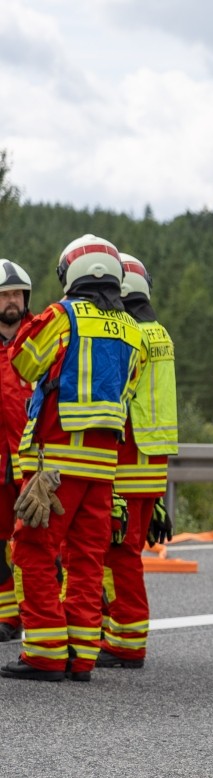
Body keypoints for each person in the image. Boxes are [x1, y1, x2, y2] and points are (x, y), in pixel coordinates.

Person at [2, 235, 146, 682]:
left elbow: (24, 364)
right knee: (86, 557)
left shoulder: (61, 317)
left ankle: (45, 652)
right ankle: (81, 655)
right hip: (103, 468)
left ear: (70, 274)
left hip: (56, 462)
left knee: (33, 549)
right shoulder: (132, 330)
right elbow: (133, 383)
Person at [97, 253, 178, 668]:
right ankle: (121, 637)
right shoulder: (159, 332)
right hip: (150, 467)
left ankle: (125, 642)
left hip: (123, 464)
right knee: (123, 553)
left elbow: (115, 399)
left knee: (117, 554)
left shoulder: (128, 334)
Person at [0, 259, 34, 644]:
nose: (11, 301)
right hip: (0, 462)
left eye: (17, 294)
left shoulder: (40, 335)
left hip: (34, 463)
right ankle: (7, 616)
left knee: (38, 544)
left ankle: (45, 617)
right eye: (5, 294)